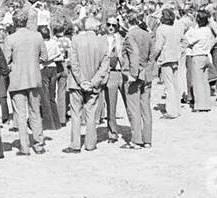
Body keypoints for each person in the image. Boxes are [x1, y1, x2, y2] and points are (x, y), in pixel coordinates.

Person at [2, 10, 46, 155]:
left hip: (17, 79)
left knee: (20, 114)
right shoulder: (37, 36)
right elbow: (44, 57)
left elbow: (6, 60)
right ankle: (39, 143)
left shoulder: (10, 39)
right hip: (34, 78)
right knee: (35, 112)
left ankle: (24, 146)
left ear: (14, 22)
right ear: (26, 21)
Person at [66, 17, 112, 152]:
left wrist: (81, 81)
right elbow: (104, 66)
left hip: (77, 83)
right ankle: (90, 143)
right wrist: (93, 82)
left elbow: (73, 63)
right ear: (97, 27)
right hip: (93, 84)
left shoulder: (76, 40)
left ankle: (75, 144)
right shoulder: (102, 43)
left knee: (76, 114)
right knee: (91, 114)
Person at [123, 14, 158, 149]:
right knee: (145, 107)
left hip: (135, 75)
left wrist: (133, 73)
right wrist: (148, 70)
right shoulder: (147, 35)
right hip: (146, 74)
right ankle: (147, 139)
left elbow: (134, 54)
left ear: (127, 21)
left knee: (134, 108)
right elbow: (152, 55)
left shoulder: (130, 35)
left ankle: (136, 140)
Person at [153, 8, 185, 118]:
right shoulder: (176, 28)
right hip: (176, 57)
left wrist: (153, 57)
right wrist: (180, 50)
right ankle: (177, 109)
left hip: (166, 58)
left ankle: (171, 111)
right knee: (175, 84)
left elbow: (158, 46)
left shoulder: (161, 29)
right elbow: (184, 41)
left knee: (169, 85)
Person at [183, 11, 216, 112]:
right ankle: (207, 104)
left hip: (197, 56)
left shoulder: (198, 32)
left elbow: (189, 41)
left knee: (197, 83)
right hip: (206, 55)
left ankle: (200, 105)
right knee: (205, 82)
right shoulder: (208, 30)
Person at [100, 17, 126, 142]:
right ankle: (112, 132)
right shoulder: (102, 40)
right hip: (111, 73)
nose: (111, 27)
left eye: (114, 25)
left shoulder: (122, 39)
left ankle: (135, 131)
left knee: (129, 103)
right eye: (109, 25)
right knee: (111, 104)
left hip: (122, 71)